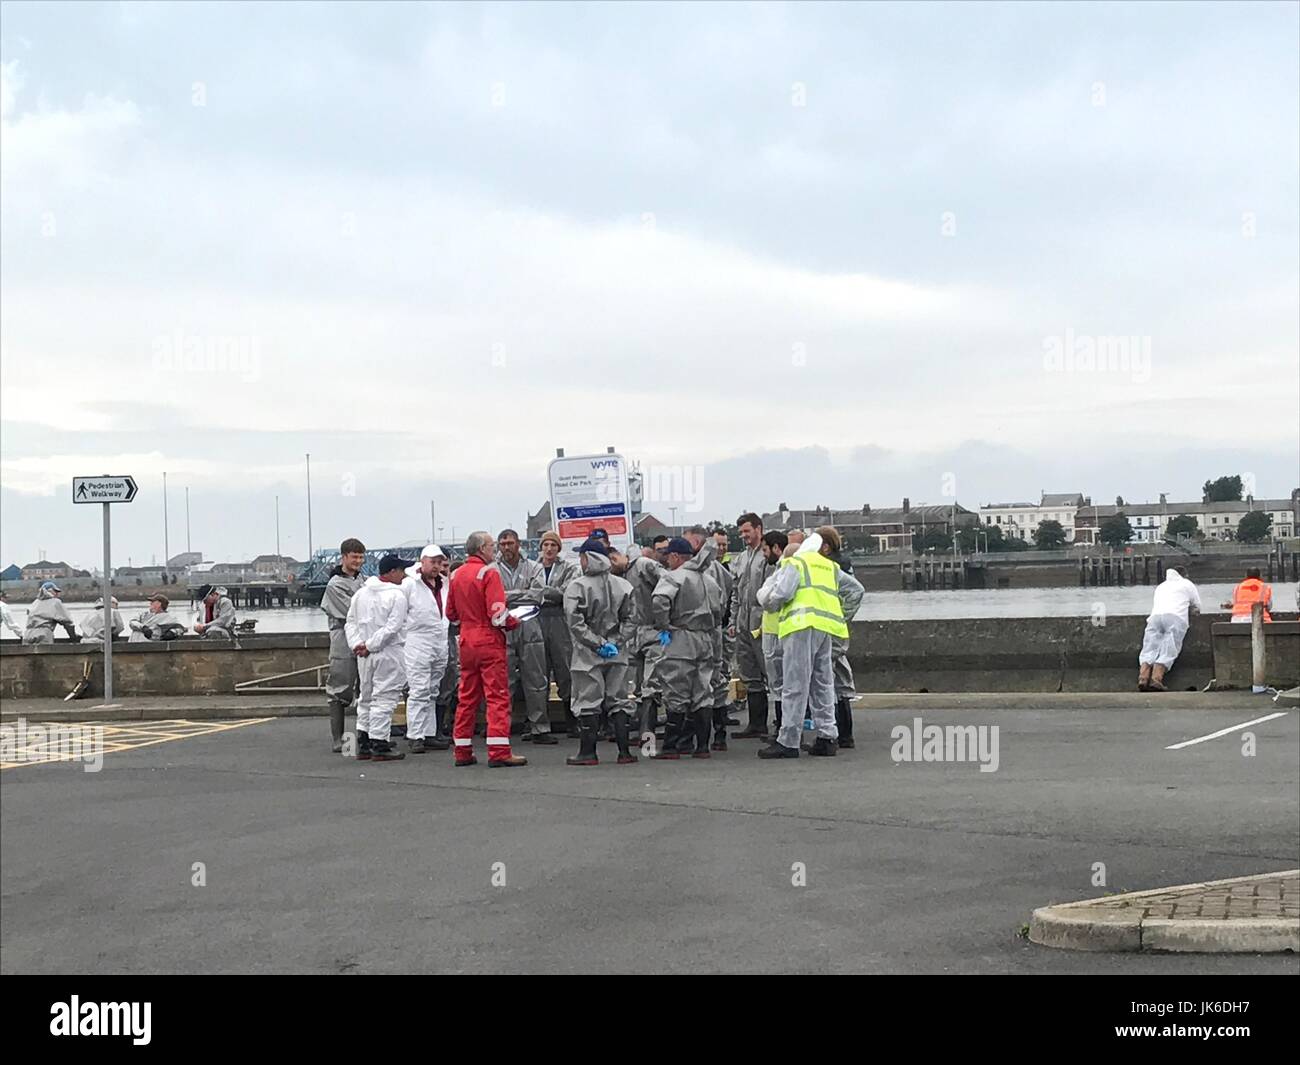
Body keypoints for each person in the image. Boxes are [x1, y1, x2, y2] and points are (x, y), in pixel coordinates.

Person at [756, 532, 846, 759]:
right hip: (824, 627)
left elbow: (781, 594)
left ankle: (788, 740)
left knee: (794, 684)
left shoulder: (796, 563)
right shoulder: (830, 567)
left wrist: (765, 599)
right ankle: (827, 736)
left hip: (800, 626)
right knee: (823, 683)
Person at [446, 531, 527, 768]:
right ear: (482, 548)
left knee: (467, 698)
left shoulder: (456, 574)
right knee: (497, 696)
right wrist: (514, 621)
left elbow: (450, 614)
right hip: (488, 640)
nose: (495, 550)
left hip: (466, 641)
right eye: (492, 545)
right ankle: (499, 750)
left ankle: (462, 751)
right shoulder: (489, 572)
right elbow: (497, 614)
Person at [563, 538, 639, 766]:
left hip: (588, 653)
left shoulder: (577, 587)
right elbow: (632, 619)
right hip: (617, 651)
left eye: (582, 556)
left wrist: (597, 643)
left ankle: (588, 752)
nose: (581, 560)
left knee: (588, 700)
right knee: (619, 699)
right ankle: (624, 752)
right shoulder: (623, 585)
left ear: (588, 558)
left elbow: (575, 623)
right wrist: (615, 641)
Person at [649, 537, 719, 759]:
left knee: (676, 689)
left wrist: (664, 624)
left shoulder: (674, 577)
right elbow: (720, 609)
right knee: (703, 690)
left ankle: (670, 746)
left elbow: (659, 600)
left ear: (675, 556)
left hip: (681, 637)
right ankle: (702, 747)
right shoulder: (709, 580)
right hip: (705, 637)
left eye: (669, 556)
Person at [345, 554, 411, 762]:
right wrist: (372, 645)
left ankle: (364, 741)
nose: (404, 574)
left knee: (366, 696)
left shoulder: (361, 593)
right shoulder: (397, 595)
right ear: (392, 572)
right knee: (385, 697)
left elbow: (350, 622)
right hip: (388, 652)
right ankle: (380, 742)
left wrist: (358, 644)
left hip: (363, 655)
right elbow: (393, 627)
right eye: (401, 570)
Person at [491, 529, 554, 744]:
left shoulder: (534, 567)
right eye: (502, 543)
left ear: (518, 544)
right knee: (503, 681)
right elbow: (492, 598)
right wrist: (521, 593)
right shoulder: (491, 569)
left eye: (510, 543)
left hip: (530, 625)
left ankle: (540, 727)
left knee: (536, 678)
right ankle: (501, 730)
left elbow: (537, 596)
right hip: (502, 627)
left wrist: (507, 597)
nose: (506, 547)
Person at [685, 524, 733, 751]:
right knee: (715, 679)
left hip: (703, 630)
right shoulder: (717, 569)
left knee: (704, 680)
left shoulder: (701, 570)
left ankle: (705, 735)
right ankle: (718, 733)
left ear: (696, 543)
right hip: (714, 628)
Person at [817, 525, 865, 749]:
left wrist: (840, 616)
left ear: (825, 546)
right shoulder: (844, 563)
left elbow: (856, 591)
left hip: (830, 627)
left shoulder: (831, 566)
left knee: (829, 678)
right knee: (841, 678)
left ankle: (837, 733)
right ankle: (845, 733)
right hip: (837, 627)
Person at [402, 545, 452, 754]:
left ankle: (429, 732)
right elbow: (399, 614)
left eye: (439, 562)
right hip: (418, 640)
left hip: (439, 639)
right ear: (422, 561)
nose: (436, 565)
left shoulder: (444, 584)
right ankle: (415, 734)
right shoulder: (409, 585)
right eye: (432, 561)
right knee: (419, 689)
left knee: (433, 689)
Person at [730, 512, 775, 739]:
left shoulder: (767, 556)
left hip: (762, 624)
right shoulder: (740, 558)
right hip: (743, 625)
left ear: (758, 529)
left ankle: (779, 723)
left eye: (747, 531)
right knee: (749, 675)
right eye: (741, 532)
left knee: (771, 674)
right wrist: (733, 621)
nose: (744, 536)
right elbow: (736, 593)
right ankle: (757, 724)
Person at [321, 538, 366, 753]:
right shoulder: (335, 584)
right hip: (342, 636)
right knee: (341, 687)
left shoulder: (364, 580)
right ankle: (338, 739)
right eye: (354, 557)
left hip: (365, 636)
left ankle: (362, 737)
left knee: (366, 687)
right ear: (344, 557)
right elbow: (352, 612)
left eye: (360, 557)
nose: (358, 561)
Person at [622, 535, 667, 736]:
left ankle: (646, 730)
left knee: (650, 682)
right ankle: (643, 728)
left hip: (652, 629)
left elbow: (668, 582)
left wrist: (663, 618)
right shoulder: (624, 572)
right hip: (636, 633)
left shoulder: (642, 565)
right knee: (640, 683)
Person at [537, 531, 578, 736]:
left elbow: (566, 592)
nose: (549, 548)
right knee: (537, 673)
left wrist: (540, 593)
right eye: (546, 545)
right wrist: (548, 594)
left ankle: (571, 720)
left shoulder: (568, 567)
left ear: (559, 548)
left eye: (553, 545)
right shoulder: (533, 567)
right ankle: (538, 722)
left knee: (565, 670)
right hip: (536, 621)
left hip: (560, 621)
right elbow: (526, 591)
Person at [1137, 566, 1202, 692]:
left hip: (1155, 617)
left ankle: (1143, 678)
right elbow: (1197, 607)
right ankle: (1156, 679)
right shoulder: (1187, 584)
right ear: (1184, 575)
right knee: (1169, 648)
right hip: (1175, 617)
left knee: (1149, 647)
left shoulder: (1161, 586)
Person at [756, 530, 789, 740]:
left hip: (777, 632)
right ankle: (783, 728)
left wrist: (763, 594)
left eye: (766, 550)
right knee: (784, 685)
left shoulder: (784, 569)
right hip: (778, 630)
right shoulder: (784, 568)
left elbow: (768, 599)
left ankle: (782, 730)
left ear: (777, 548)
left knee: (779, 686)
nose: (764, 555)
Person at [435, 554, 460, 742]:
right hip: (431, 641)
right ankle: (431, 730)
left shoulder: (452, 587)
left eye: (445, 565)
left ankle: (443, 726)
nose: (442, 569)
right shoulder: (422, 588)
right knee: (429, 686)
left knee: (449, 683)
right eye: (438, 565)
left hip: (451, 637)